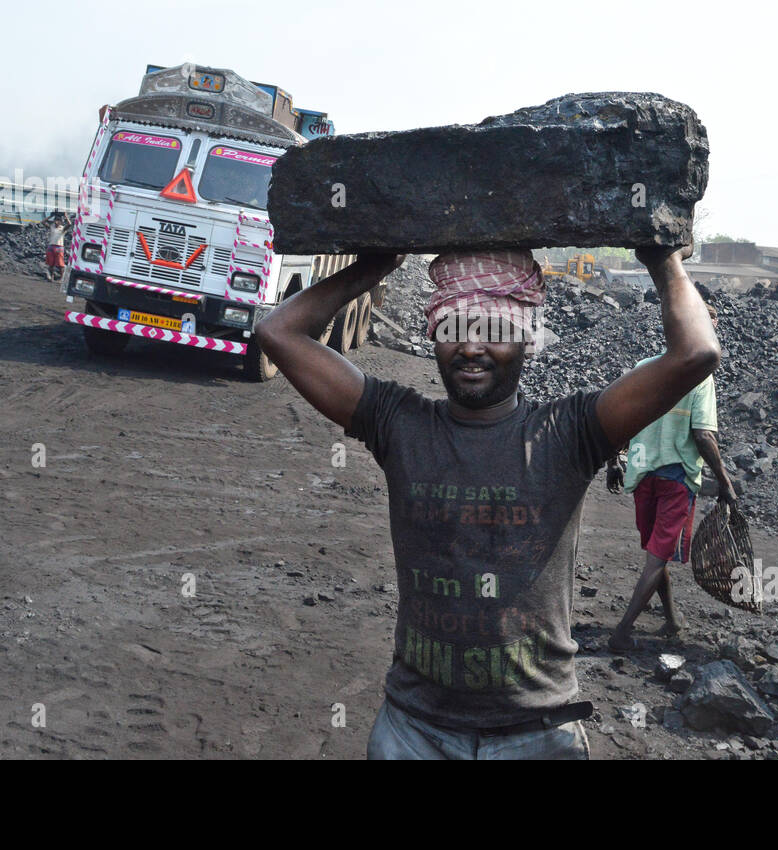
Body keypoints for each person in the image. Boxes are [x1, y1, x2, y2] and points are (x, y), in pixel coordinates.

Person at [254, 244, 719, 760]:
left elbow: (695, 354)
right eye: (454, 328)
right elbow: (278, 332)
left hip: (537, 733)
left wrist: (662, 261)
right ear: (435, 336)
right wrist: (373, 267)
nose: (471, 347)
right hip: (414, 731)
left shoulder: (569, 433)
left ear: (524, 339)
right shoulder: (399, 424)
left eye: (494, 331)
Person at [605, 303, 736, 651]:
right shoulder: (699, 377)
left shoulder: (644, 368)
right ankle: (622, 631)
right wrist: (724, 482)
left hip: (642, 471)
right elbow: (704, 435)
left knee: (654, 553)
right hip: (676, 477)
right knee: (656, 557)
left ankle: (671, 618)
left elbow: (619, 416)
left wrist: (613, 461)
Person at [43, 212, 71, 281]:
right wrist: (50, 216)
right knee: (51, 264)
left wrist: (66, 216)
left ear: (60, 222)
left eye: (58, 221)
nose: (56, 222)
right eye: (55, 220)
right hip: (51, 247)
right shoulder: (52, 227)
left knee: (60, 264)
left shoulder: (62, 228)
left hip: (59, 247)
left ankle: (62, 279)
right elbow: (43, 222)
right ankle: (51, 277)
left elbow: (69, 224)